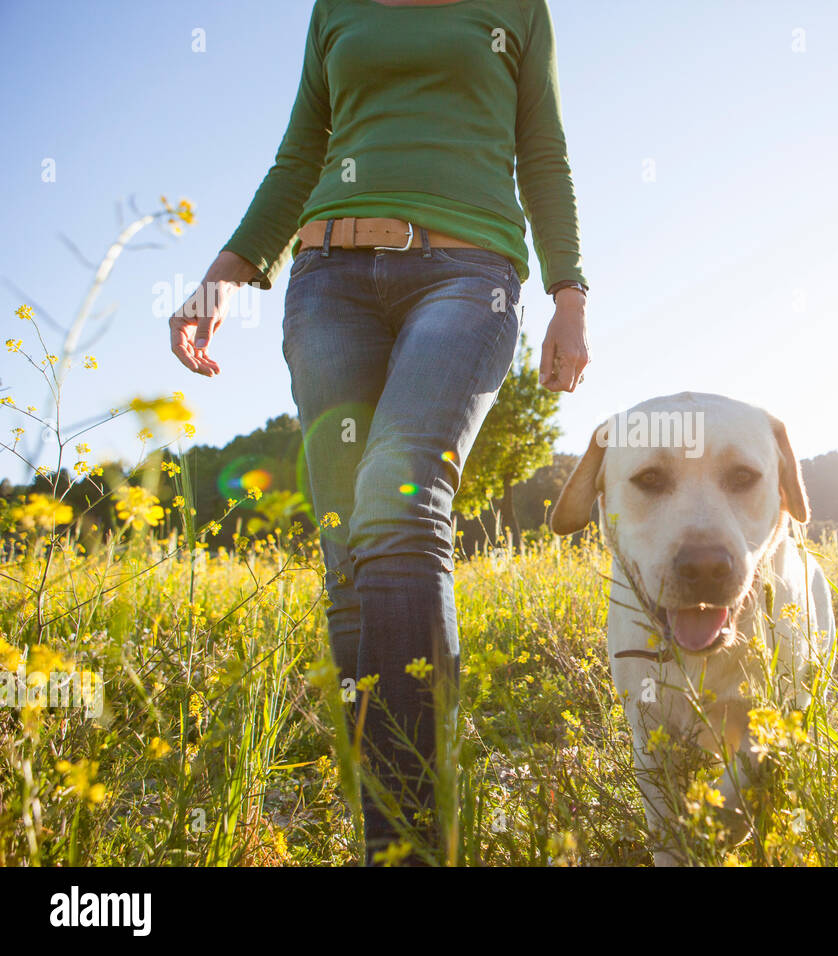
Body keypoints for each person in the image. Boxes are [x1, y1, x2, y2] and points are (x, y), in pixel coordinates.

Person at [168, 0, 590, 864]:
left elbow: (542, 152)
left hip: (469, 272)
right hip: (327, 279)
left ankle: (412, 846)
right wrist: (223, 273)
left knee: (399, 505)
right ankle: (383, 841)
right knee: (347, 556)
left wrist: (568, 293)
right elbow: (300, 156)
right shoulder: (337, 9)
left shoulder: (516, 8)